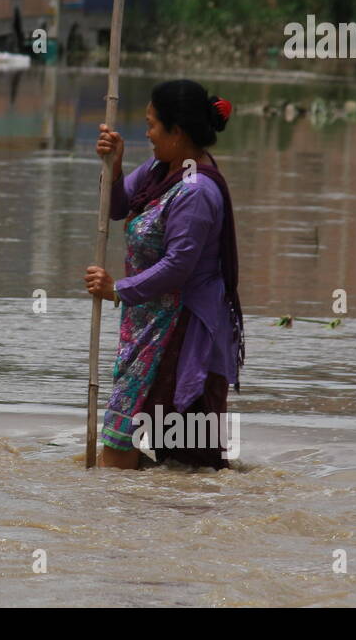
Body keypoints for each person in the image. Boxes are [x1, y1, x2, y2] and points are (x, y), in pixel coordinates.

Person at [84, 80, 245, 470]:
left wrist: (118, 289)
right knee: (145, 455)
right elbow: (118, 207)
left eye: (153, 124)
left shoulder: (195, 191)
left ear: (178, 132)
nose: (147, 133)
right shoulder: (162, 170)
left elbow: (178, 267)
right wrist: (116, 164)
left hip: (181, 330)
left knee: (186, 464)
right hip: (148, 325)